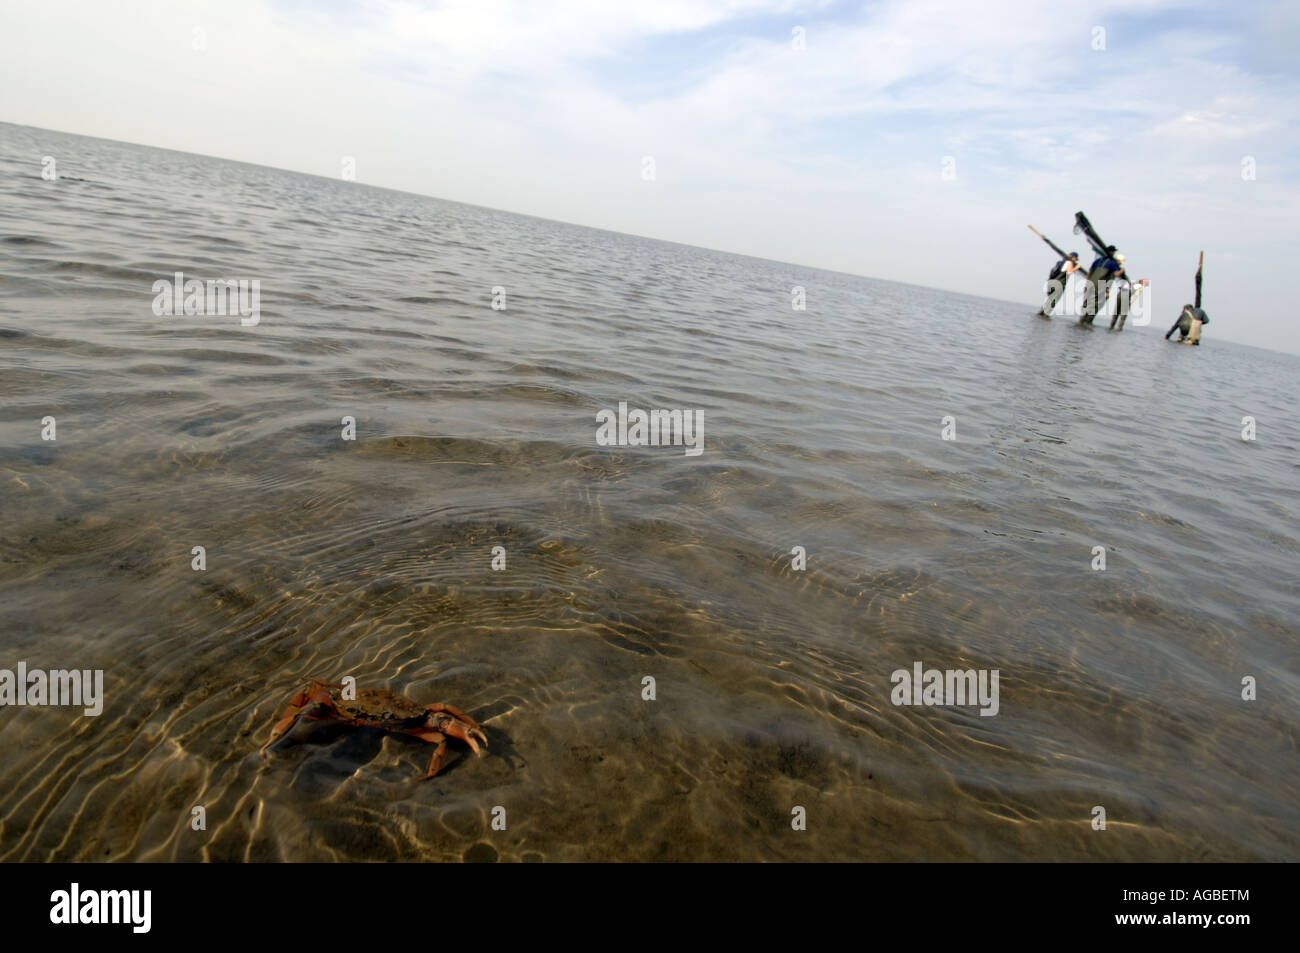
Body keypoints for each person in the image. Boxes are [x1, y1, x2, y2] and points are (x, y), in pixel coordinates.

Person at [1080, 246, 1121, 324]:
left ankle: (1081, 322)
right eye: (1114, 251)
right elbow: (1116, 274)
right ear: (1112, 252)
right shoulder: (1112, 262)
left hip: (1090, 284)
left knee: (1086, 303)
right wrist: (1122, 270)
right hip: (1100, 286)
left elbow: (1090, 272)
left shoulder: (1098, 260)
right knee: (1096, 304)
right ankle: (1087, 323)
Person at [1039, 252, 1082, 316]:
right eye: (1075, 259)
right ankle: (1045, 315)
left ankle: (1041, 314)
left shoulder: (1060, 262)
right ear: (1073, 257)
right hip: (1059, 284)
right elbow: (1069, 272)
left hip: (1052, 282)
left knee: (1049, 299)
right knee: (1053, 301)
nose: (1075, 261)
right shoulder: (1069, 262)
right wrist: (1077, 267)